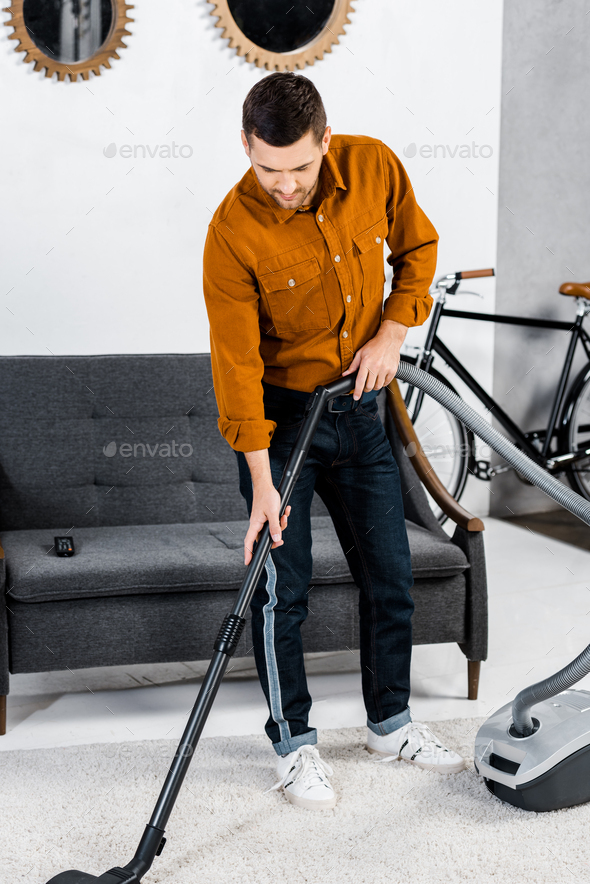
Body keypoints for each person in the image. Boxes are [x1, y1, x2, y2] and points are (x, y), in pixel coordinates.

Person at [203, 72, 466, 811]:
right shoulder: (232, 231)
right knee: (282, 593)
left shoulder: (374, 165)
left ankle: (391, 722)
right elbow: (236, 367)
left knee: (390, 574)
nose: (283, 186)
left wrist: (392, 330)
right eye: (266, 169)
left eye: (299, 168)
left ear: (326, 140)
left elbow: (419, 250)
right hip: (284, 427)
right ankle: (294, 746)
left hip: (363, 408)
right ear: (246, 148)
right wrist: (259, 480)